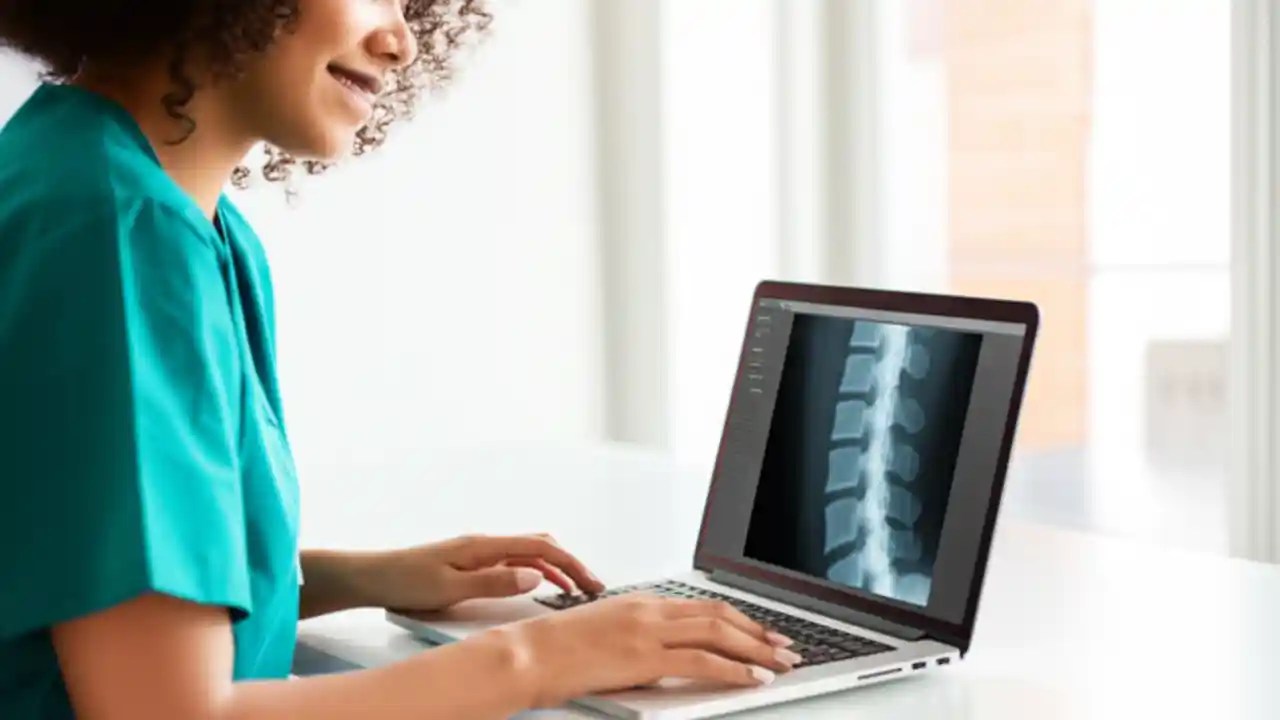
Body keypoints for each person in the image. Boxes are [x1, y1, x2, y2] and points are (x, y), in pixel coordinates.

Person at [0, 1, 801, 718]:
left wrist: (372, 578)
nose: (403, 41)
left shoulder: (132, 196)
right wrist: (547, 656)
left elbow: (89, 584)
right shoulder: (117, 232)